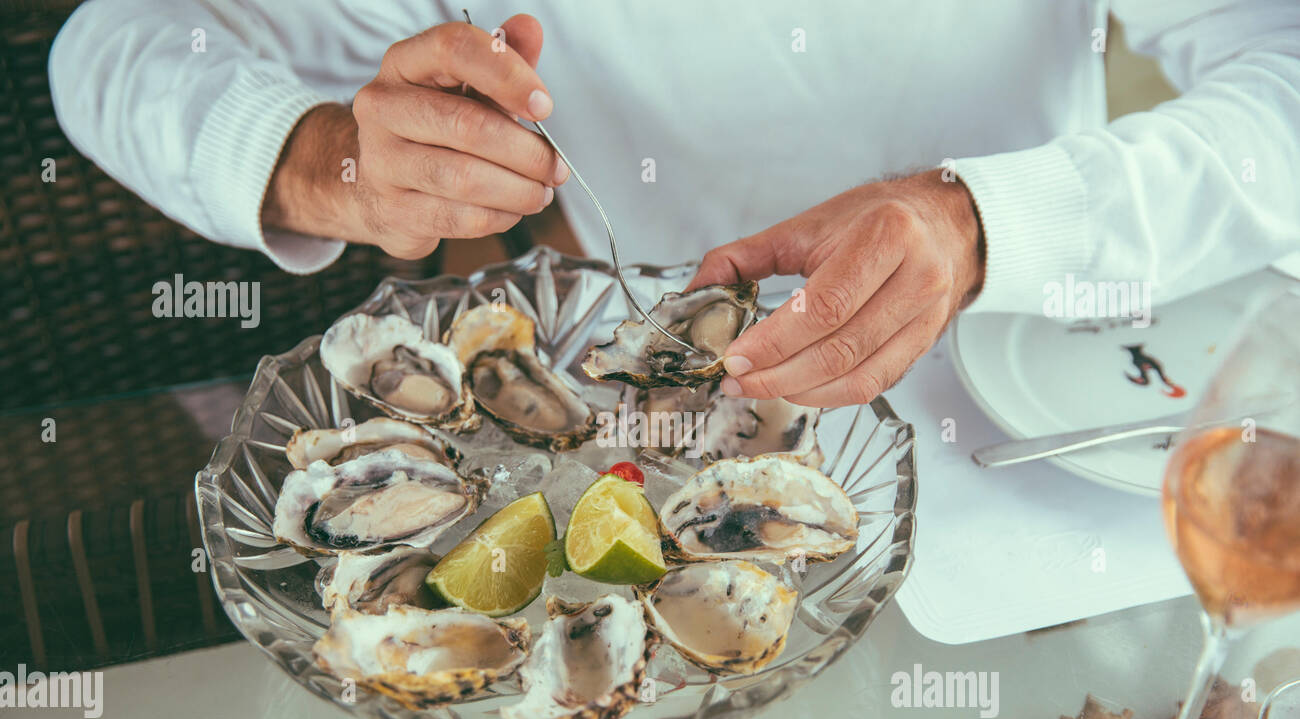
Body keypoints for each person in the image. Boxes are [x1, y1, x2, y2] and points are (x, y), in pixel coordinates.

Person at [51, 1, 1300, 408]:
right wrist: (317, 152)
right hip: (672, 405)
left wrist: (986, 221)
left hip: (1070, 377)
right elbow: (112, 42)